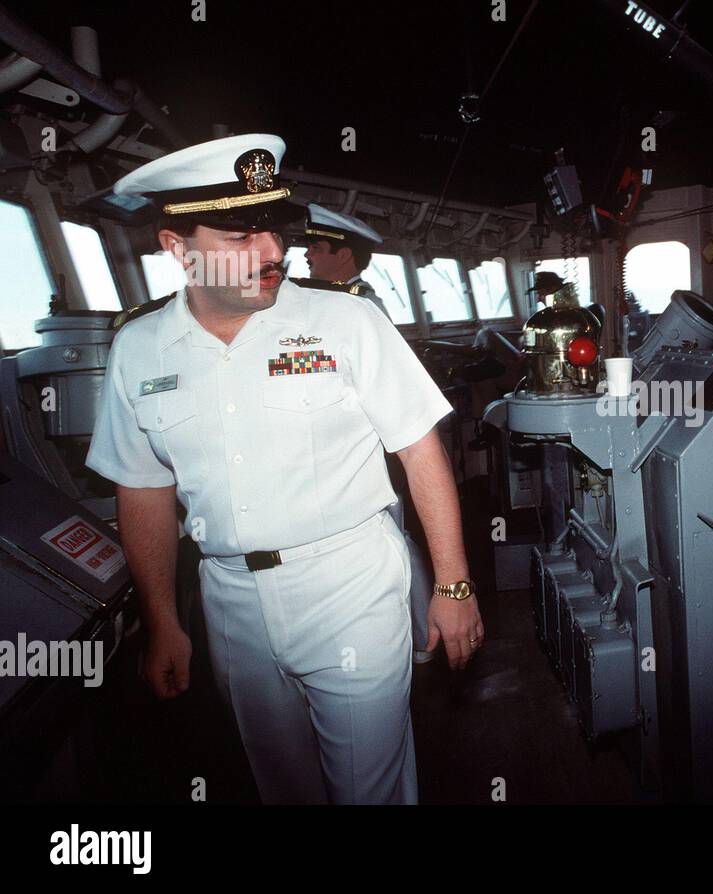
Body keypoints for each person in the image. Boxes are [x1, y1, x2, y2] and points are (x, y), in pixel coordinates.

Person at [86, 134, 483, 804]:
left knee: (368, 790)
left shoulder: (347, 322)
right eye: (239, 235)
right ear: (177, 249)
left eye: (272, 230)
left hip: (349, 583)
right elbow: (143, 489)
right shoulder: (139, 348)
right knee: (282, 789)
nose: (270, 253)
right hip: (229, 597)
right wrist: (162, 622)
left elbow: (421, 450)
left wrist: (452, 587)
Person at [301, 203, 389, 318]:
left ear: (343, 255)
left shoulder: (363, 306)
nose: (307, 254)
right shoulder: (335, 296)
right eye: (308, 248)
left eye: (316, 248)